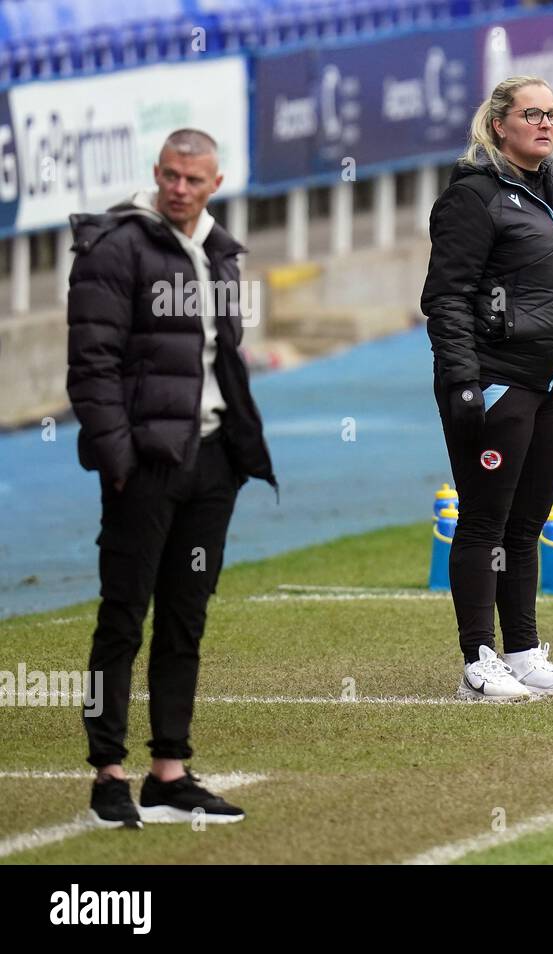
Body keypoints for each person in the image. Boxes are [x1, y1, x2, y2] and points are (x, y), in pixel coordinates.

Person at [67, 128, 276, 827]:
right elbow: (90, 366)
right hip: (146, 466)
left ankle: (169, 770)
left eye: (193, 178)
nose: (179, 188)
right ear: (156, 173)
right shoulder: (116, 247)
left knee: (186, 619)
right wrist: (118, 459)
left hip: (211, 463)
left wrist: (239, 454)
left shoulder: (219, 251)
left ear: (216, 182)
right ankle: (107, 772)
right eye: (170, 175)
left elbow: (224, 358)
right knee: (123, 616)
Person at [422, 76, 553, 700]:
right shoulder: (473, 198)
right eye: (532, 114)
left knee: (526, 527)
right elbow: (446, 299)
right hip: (498, 383)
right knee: (484, 522)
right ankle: (478, 661)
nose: (547, 124)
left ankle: (524, 652)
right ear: (498, 124)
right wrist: (463, 383)